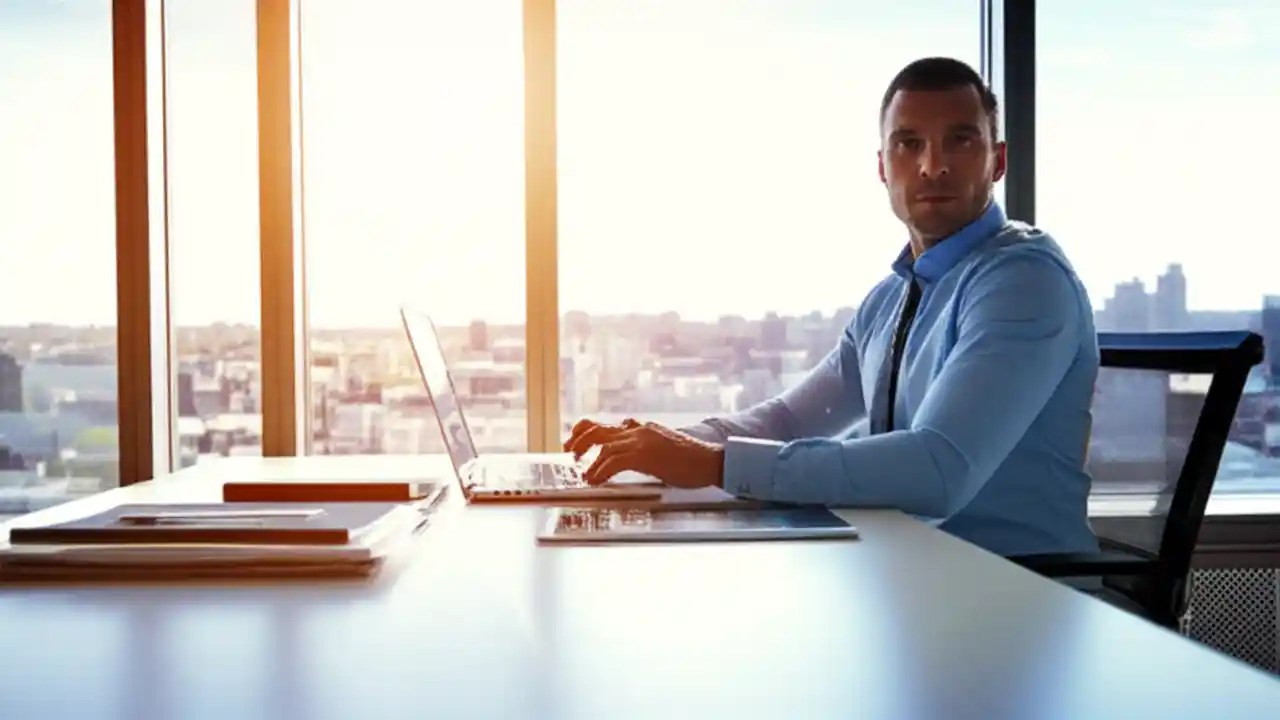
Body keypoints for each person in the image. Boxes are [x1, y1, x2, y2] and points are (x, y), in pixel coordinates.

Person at [564, 57, 1099, 558]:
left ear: (997, 160)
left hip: (1021, 593)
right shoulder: (891, 297)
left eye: (959, 142)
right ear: (883, 169)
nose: (932, 166)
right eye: (908, 144)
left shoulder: (1023, 280)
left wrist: (712, 462)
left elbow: (937, 470)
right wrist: (664, 445)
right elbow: (793, 417)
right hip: (916, 579)